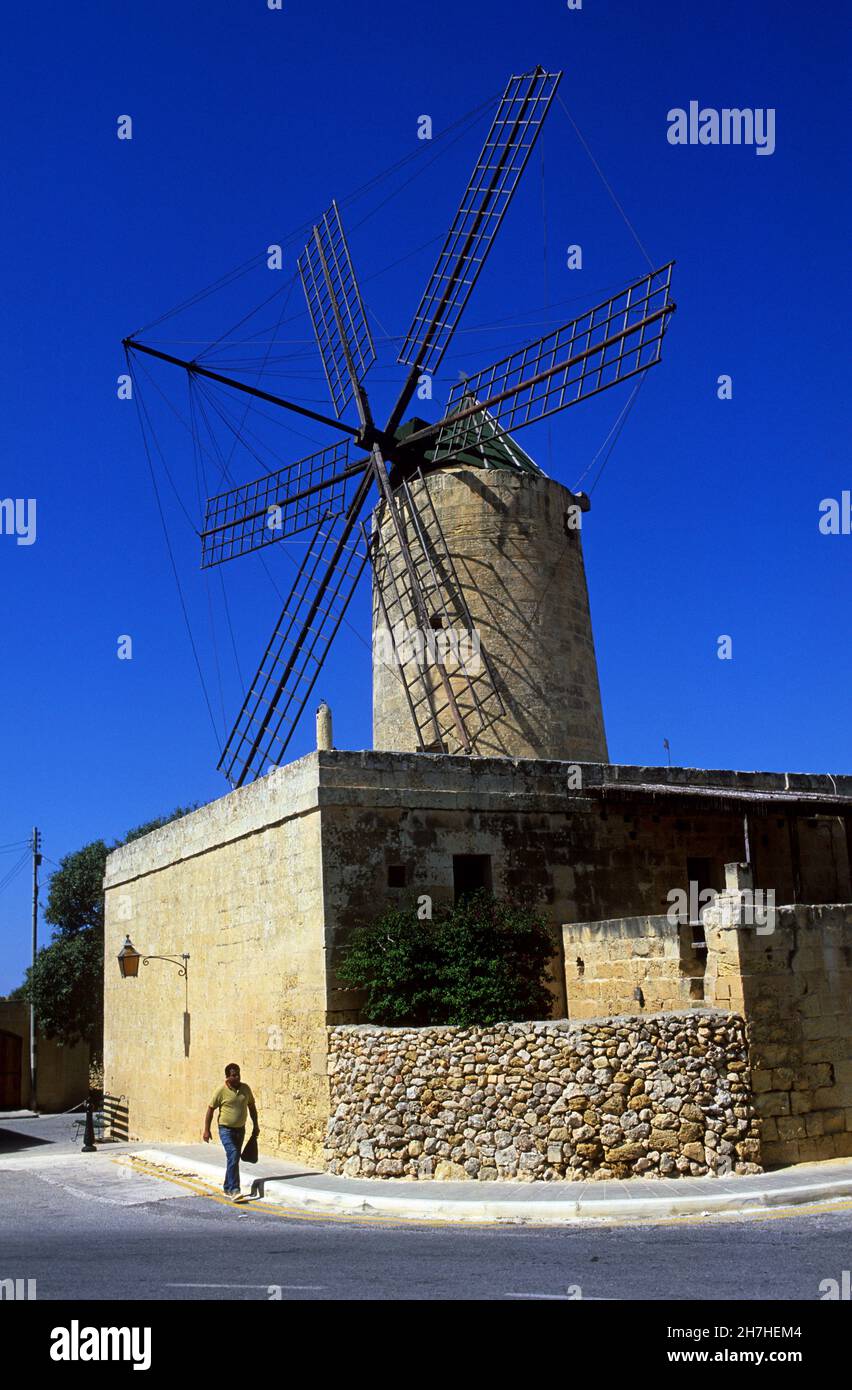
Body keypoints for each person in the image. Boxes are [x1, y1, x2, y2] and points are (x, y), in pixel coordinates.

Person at [202, 1062, 259, 1199]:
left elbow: (251, 1107)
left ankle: (227, 1187)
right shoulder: (221, 1091)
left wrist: (256, 1125)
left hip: (240, 1130)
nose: (237, 1077)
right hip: (225, 1129)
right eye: (234, 1075)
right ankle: (234, 1190)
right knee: (233, 1154)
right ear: (227, 1077)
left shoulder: (246, 1089)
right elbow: (210, 1109)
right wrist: (206, 1130)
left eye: (238, 1074)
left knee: (233, 1159)